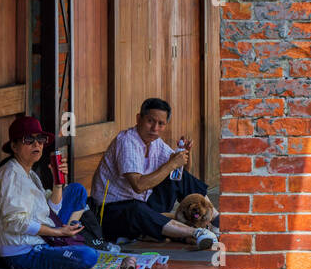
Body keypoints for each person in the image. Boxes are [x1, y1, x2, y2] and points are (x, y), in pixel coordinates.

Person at [90, 98, 218, 250]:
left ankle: (216, 221)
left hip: (142, 203)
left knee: (176, 176)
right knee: (136, 210)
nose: (155, 128)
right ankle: (196, 233)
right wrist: (172, 164)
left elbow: (181, 175)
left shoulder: (155, 142)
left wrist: (184, 156)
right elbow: (138, 185)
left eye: (161, 124)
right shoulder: (127, 141)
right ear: (139, 118)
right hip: (111, 213)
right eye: (150, 121)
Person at [0, 115, 101, 269]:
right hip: (22, 251)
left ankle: (66, 239)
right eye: (29, 140)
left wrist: (57, 183)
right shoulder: (10, 175)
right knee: (88, 256)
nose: (37, 144)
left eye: (40, 139)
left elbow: (50, 211)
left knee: (76, 191)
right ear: (14, 146)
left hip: (41, 238)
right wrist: (58, 232)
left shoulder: (30, 174)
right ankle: (65, 240)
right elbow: (14, 223)